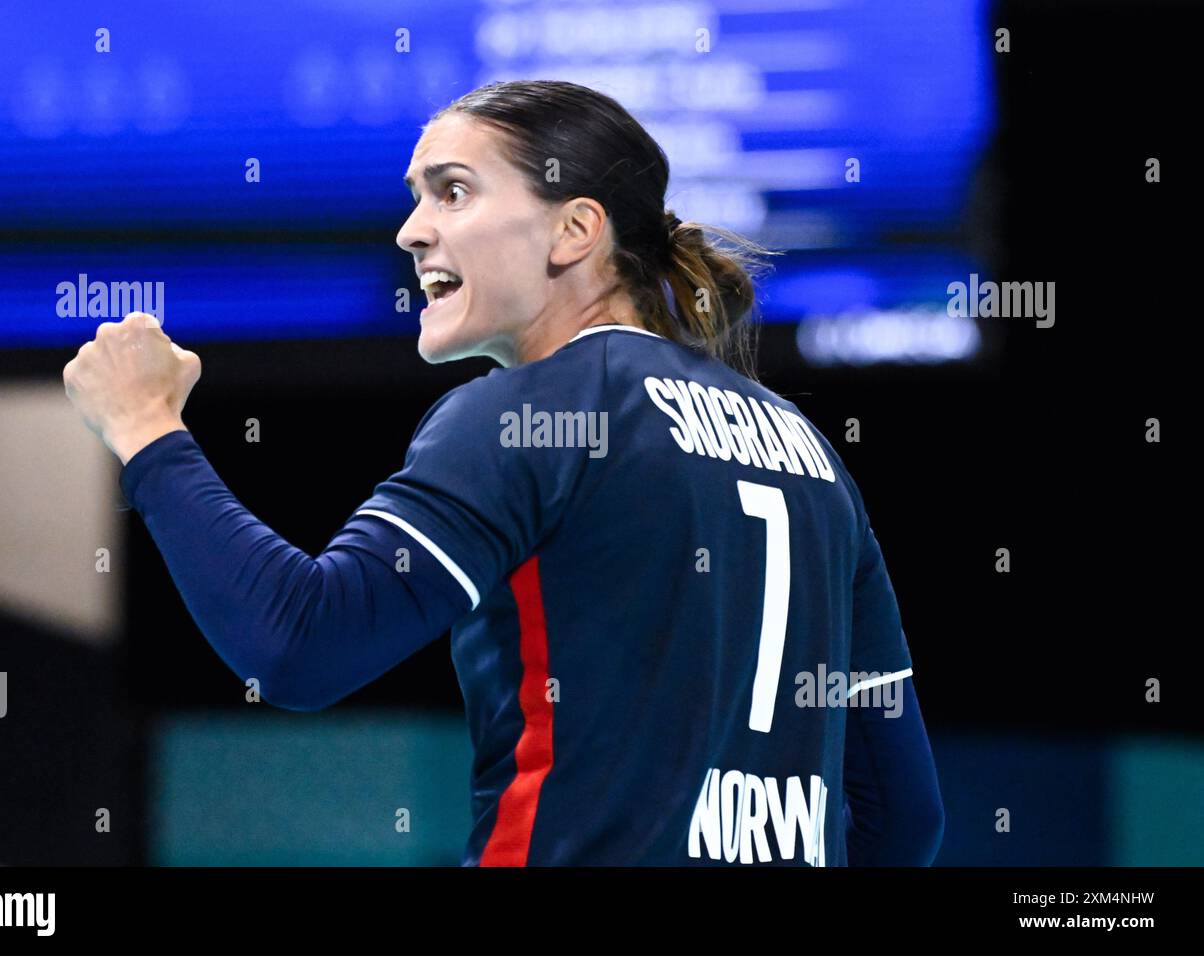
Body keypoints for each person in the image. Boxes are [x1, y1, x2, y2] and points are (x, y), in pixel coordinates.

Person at [63, 79, 943, 866]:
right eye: (416, 199)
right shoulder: (812, 455)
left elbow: (298, 644)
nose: (412, 231)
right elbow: (905, 820)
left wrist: (149, 430)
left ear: (574, 230)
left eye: (454, 191)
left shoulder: (530, 413)